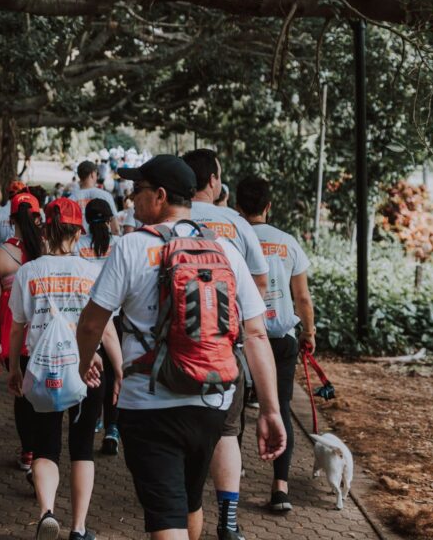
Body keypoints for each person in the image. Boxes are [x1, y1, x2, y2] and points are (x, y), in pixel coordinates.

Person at [74, 155, 286, 540]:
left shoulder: (131, 247)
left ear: (159, 196)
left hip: (150, 405)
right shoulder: (224, 249)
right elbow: (255, 334)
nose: (132, 199)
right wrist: (271, 409)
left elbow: (91, 323)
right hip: (212, 401)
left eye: (137, 191)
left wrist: (83, 365)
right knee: (190, 502)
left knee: (166, 517)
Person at [7, 198, 121, 540]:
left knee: (45, 447)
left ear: (45, 230)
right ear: (76, 233)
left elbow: (17, 328)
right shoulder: (91, 273)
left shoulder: (28, 271)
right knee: (83, 447)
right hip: (87, 369)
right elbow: (108, 330)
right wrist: (121, 371)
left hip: (41, 370)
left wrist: (14, 368)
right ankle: (79, 528)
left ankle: (46, 512)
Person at [180, 149, 269, 540]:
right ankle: (229, 520)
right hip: (224, 350)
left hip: (174, 351)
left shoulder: (164, 219)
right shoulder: (235, 224)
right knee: (228, 432)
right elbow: (260, 285)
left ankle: (184, 505)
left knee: (176, 428)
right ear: (214, 182)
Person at [235, 176, 317, 513]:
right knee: (280, 407)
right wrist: (309, 333)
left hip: (241, 341)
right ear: (269, 206)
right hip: (281, 340)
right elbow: (302, 298)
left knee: (235, 409)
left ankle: (233, 474)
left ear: (238, 207)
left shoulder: (235, 240)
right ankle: (280, 488)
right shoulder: (288, 243)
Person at [0, 191, 43, 475]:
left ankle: (29, 451)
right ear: (38, 216)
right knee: (43, 393)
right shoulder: (47, 249)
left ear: (10, 220)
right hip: (44, 333)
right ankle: (45, 453)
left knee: (21, 395)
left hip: (14, 335)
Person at [74, 198, 124, 456]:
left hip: (88, 317)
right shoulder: (119, 245)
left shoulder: (78, 246)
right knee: (116, 372)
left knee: (92, 368)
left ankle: (93, 418)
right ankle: (113, 428)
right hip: (115, 318)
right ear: (108, 219)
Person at [68, 161, 118, 233]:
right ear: (92, 174)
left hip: (79, 242)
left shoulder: (71, 199)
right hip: (103, 241)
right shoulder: (106, 196)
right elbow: (115, 226)